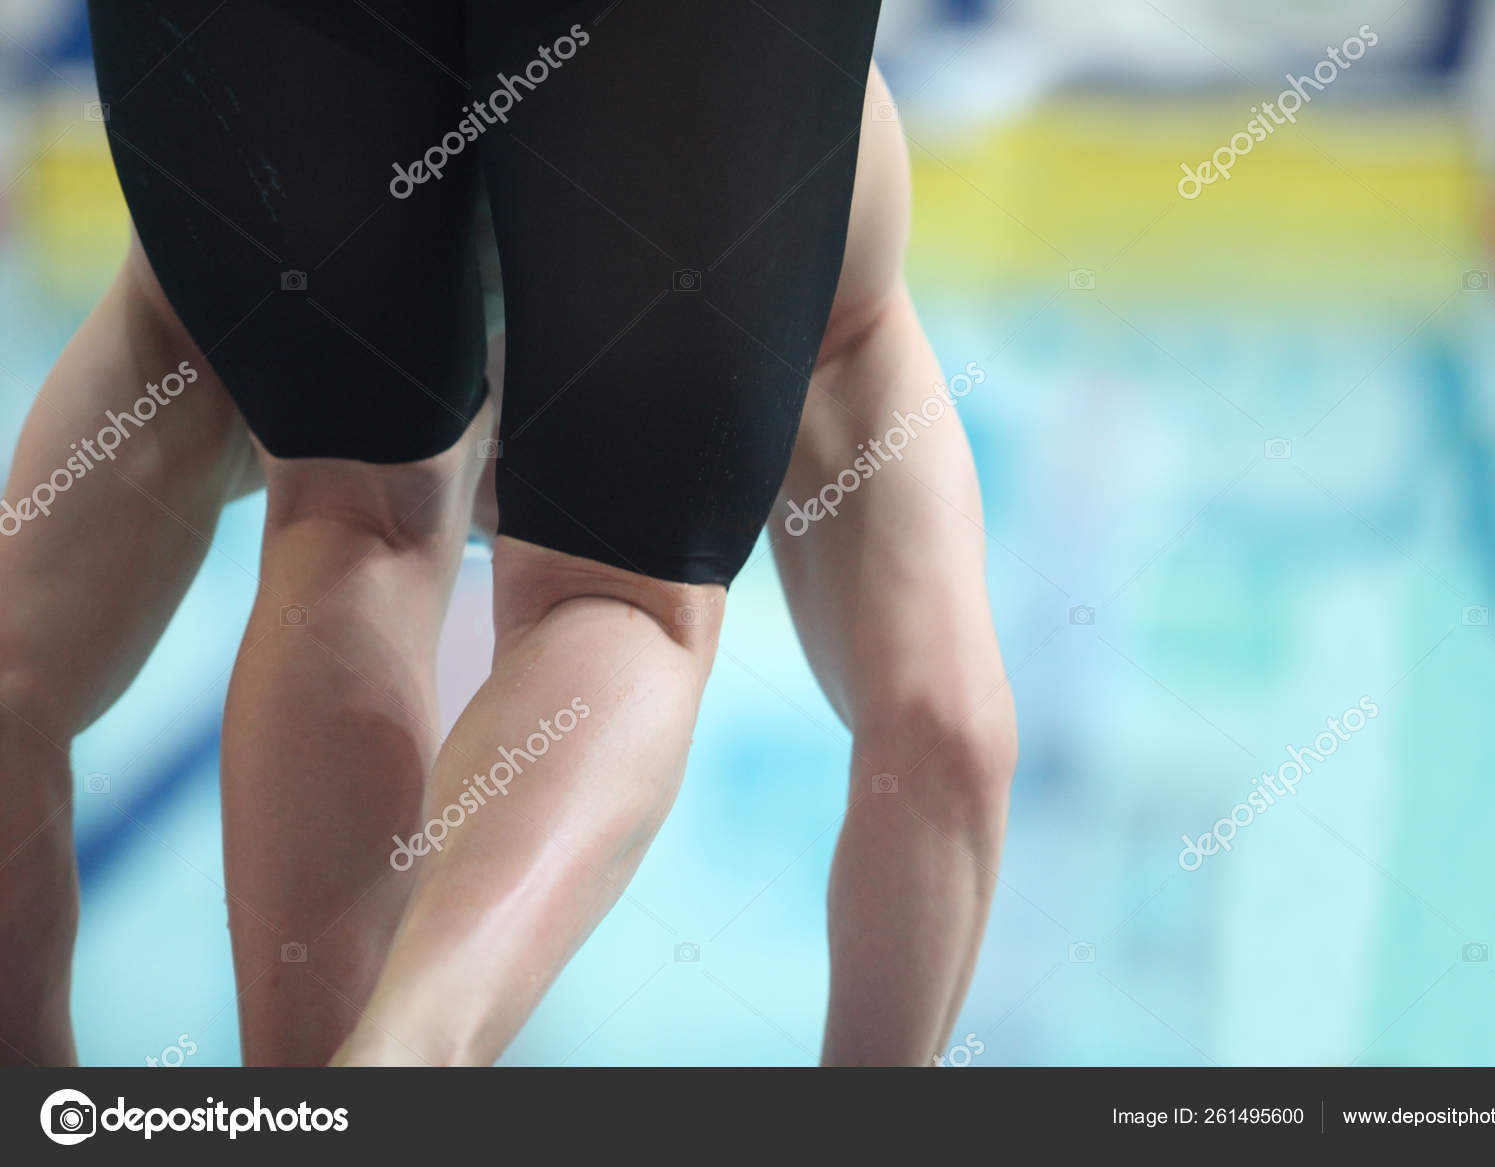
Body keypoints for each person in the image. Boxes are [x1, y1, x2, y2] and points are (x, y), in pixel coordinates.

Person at [0, 0, 1015, 1067]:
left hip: (282, 78)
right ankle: (406, 1056)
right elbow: (950, 735)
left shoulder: (213, 314)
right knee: (620, 602)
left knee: (347, 526)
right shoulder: (809, 251)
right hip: (699, 100)